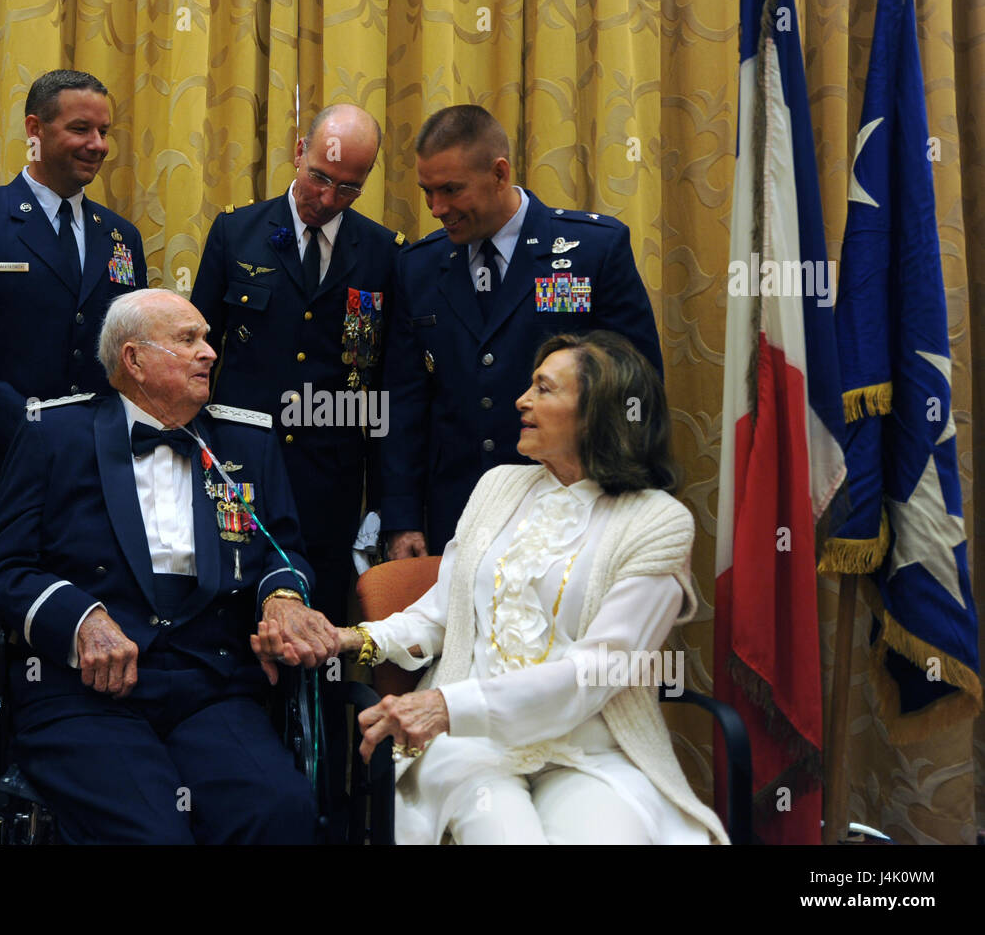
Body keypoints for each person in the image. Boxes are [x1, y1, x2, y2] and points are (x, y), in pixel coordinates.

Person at [282, 331, 728, 844]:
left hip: (588, 751)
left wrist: (447, 704)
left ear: (598, 412)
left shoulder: (657, 521)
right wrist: (348, 639)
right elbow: (438, 615)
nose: (522, 399)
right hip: (467, 741)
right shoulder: (498, 487)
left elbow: (598, 669)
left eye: (544, 388)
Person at [0, 289, 340, 844]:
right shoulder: (54, 435)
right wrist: (80, 619)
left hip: (211, 683)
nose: (209, 352)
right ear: (133, 360)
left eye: (207, 339)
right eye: (188, 340)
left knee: (279, 813)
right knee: (152, 834)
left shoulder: (246, 439)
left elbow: (281, 552)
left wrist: (281, 598)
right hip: (85, 693)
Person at [0, 69, 148, 844]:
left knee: (71, 660)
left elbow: (126, 360)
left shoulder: (120, 239)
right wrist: (37, 430)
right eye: (81, 129)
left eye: (105, 131)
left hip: (87, 497)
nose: (97, 145)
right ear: (35, 130)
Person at [379, 104, 663, 558]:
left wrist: (624, 497)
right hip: (459, 514)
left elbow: (638, 389)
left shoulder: (593, 251)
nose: (437, 209)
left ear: (498, 172)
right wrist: (402, 517)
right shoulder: (418, 266)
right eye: (427, 192)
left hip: (576, 508)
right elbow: (402, 401)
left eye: (451, 190)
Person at [190, 103, 405, 627]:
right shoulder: (235, 233)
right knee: (230, 624)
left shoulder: (384, 253)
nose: (329, 199)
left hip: (328, 483)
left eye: (349, 188)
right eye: (320, 178)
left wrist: (387, 502)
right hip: (238, 473)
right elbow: (195, 356)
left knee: (319, 632)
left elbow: (389, 388)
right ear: (297, 152)